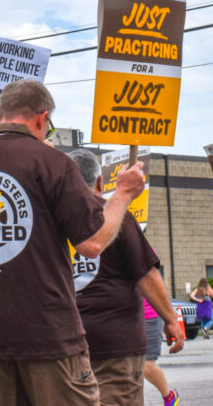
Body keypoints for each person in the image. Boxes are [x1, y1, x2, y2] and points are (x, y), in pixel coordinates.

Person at [0, 79, 145, 406]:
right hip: (49, 337)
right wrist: (125, 193)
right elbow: (92, 244)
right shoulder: (54, 164)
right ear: (41, 119)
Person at [67, 149, 184, 406]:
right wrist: (171, 320)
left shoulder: (54, 221)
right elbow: (146, 274)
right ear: (99, 182)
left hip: (66, 346)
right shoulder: (118, 217)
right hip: (116, 346)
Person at [142, 298, 180, 406]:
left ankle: (169, 397)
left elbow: (159, 288)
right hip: (127, 318)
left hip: (150, 316)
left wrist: (170, 320)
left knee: (146, 365)